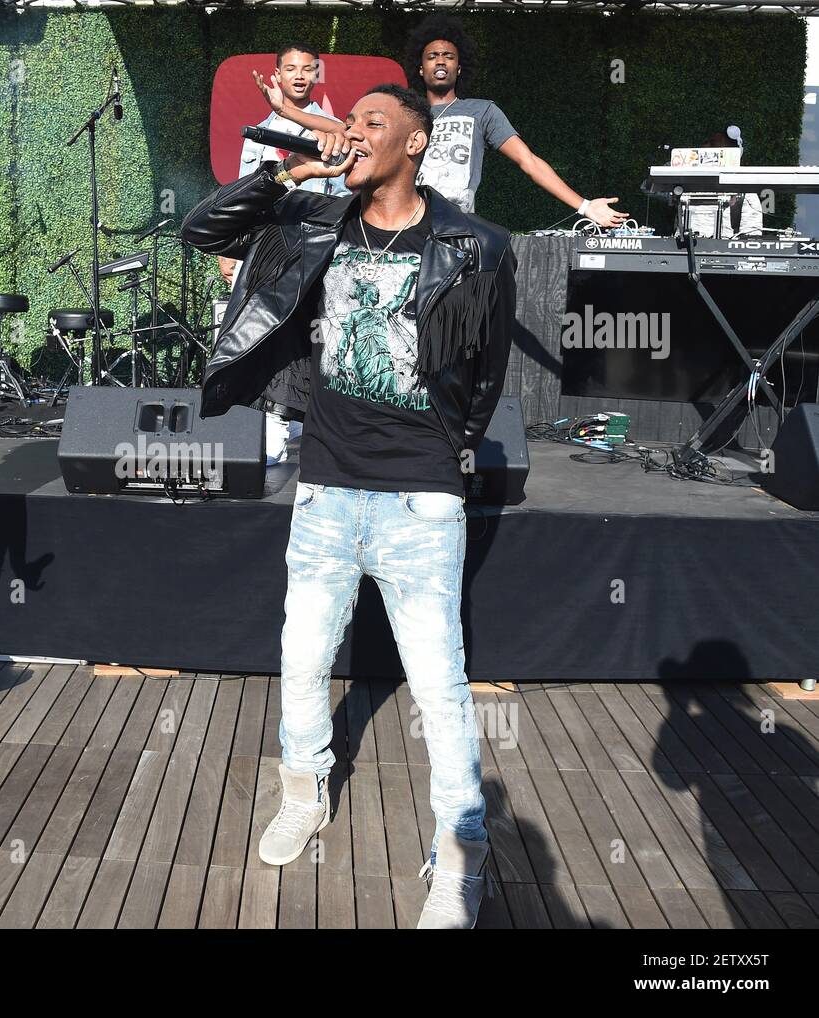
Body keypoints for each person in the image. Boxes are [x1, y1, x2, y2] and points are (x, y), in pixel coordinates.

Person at [182, 83, 516, 929]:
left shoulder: (476, 246)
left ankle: (459, 853)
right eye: (351, 120)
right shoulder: (312, 219)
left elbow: (483, 377)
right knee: (301, 660)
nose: (354, 132)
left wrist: (444, 453)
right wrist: (289, 166)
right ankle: (304, 790)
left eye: (374, 123)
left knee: (440, 687)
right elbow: (203, 231)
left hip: (419, 499)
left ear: (416, 144)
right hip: (326, 485)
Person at [262, 15, 628, 227]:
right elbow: (344, 132)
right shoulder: (401, 110)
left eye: (448, 56)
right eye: (432, 55)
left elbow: (528, 162)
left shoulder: (483, 111)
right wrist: (285, 111)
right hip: (400, 223)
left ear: (458, 66)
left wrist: (583, 206)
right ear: (419, 68)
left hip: (456, 226)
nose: (440, 60)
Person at [227, 42, 348, 466]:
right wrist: (232, 253)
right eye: (291, 68)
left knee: (320, 336)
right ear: (276, 75)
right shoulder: (256, 133)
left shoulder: (331, 129)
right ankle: (277, 423)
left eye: (308, 69)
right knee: (273, 334)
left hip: (318, 249)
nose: (299, 75)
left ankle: (312, 421)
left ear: (317, 75)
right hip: (271, 249)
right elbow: (243, 196)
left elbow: (345, 195)